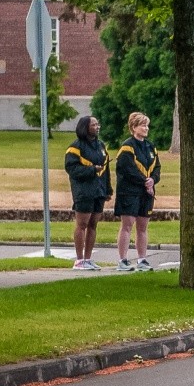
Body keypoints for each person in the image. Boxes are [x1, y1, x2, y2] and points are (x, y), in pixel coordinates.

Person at [113, 112, 158, 272]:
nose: (146, 128)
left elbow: (156, 167)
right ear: (133, 128)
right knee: (127, 225)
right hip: (129, 192)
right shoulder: (127, 147)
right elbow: (128, 169)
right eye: (142, 125)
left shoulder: (150, 146)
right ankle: (122, 260)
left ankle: (142, 259)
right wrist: (145, 182)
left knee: (143, 227)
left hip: (146, 193)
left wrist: (153, 179)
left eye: (147, 125)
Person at [64, 115, 111, 270]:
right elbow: (72, 169)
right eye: (94, 125)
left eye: (98, 124)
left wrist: (108, 189)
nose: (97, 127)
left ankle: (88, 259)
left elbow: (106, 169)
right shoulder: (75, 148)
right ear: (85, 127)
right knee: (82, 224)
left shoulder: (101, 146)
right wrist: (91, 169)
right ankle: (79, 260)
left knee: (93, 224)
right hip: (84, 190)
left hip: (99, 190)